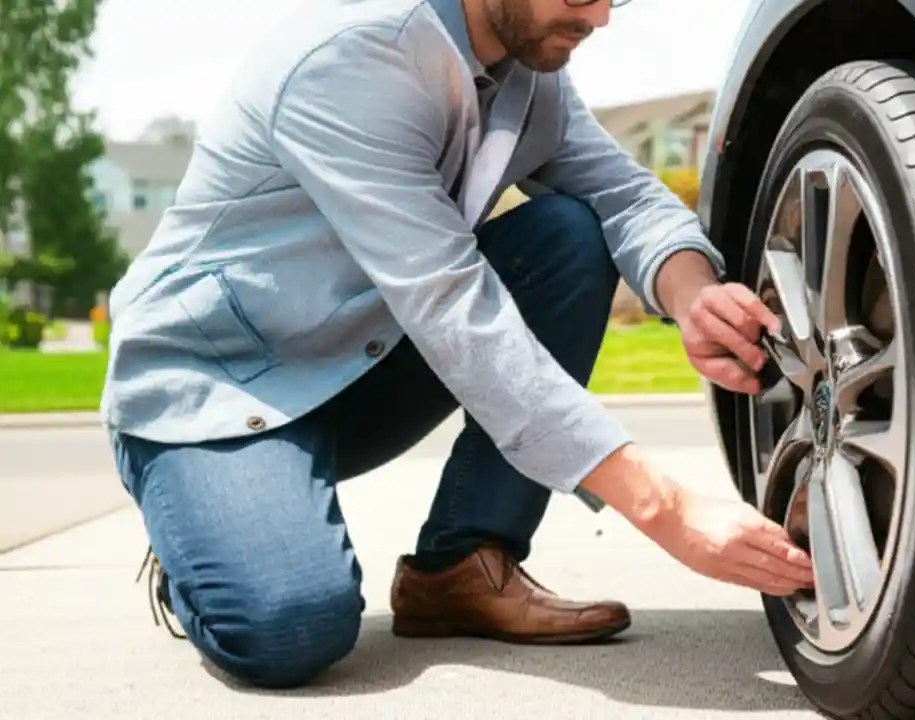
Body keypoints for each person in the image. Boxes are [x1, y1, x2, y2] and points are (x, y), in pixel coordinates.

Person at [103, 0, 813, 690]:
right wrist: (670, 512)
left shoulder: (526, 71)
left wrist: (693, 295)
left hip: (357, 364)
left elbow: (622, 195)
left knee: (567, 234)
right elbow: (454, 311)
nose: (600, 17)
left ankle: (462, 565)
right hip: (218, 388)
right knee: (290, 629)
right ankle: (197, 542)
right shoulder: (354, 56)